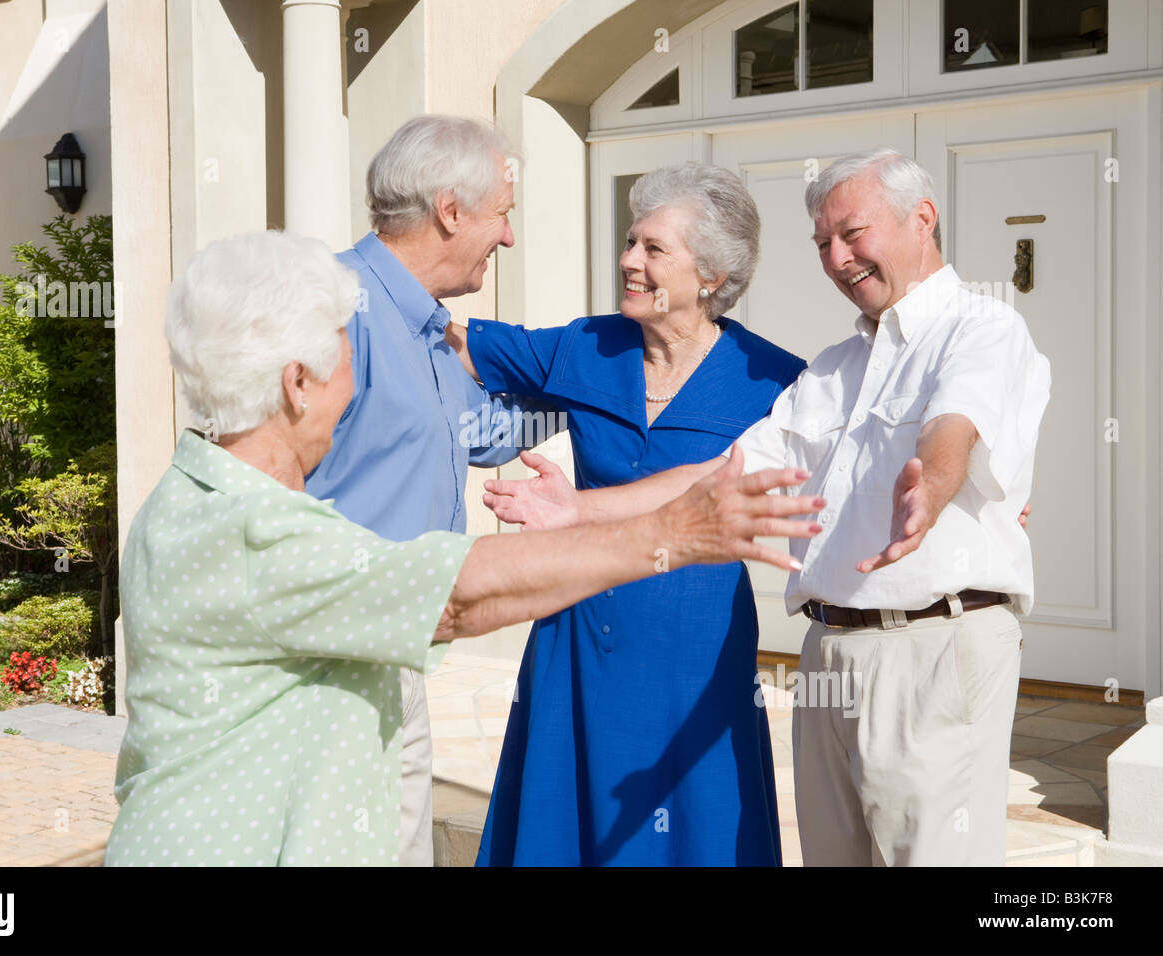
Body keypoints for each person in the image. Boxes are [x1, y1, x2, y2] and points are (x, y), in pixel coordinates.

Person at [103, 230, 823, 866]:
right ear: (297, 385)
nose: (358, 383)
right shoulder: (250, 532)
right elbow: (460, 593)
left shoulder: (197, 500)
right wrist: (671, 531)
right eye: (348, 358)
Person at [484, 148, 1051, 866]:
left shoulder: (981, 328)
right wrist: (578, 512)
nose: (839, 257)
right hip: (830, 649)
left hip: (934, 644)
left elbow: (955, 423)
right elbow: (720, 473)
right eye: (822, 244)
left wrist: (932, 483)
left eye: (853, 233)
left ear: (922, 220)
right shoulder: (834, 371)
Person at [446, 162, 808, 865]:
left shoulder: (774, 379)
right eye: (630, 242)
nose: (628, 261)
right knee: (568, 822)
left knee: (694, 826)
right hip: (580, 633)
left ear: (711, 275)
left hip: (696, 648)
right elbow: (461, 346)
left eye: (652, 249)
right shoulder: (589, 345)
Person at [302, 115, 560, 866]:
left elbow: (480, 433)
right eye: (501, 216)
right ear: (450, 211)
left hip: (395, 654)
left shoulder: (426, 326)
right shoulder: (332, 307)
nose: (507, 239)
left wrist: (590, 392)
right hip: (329, 663)